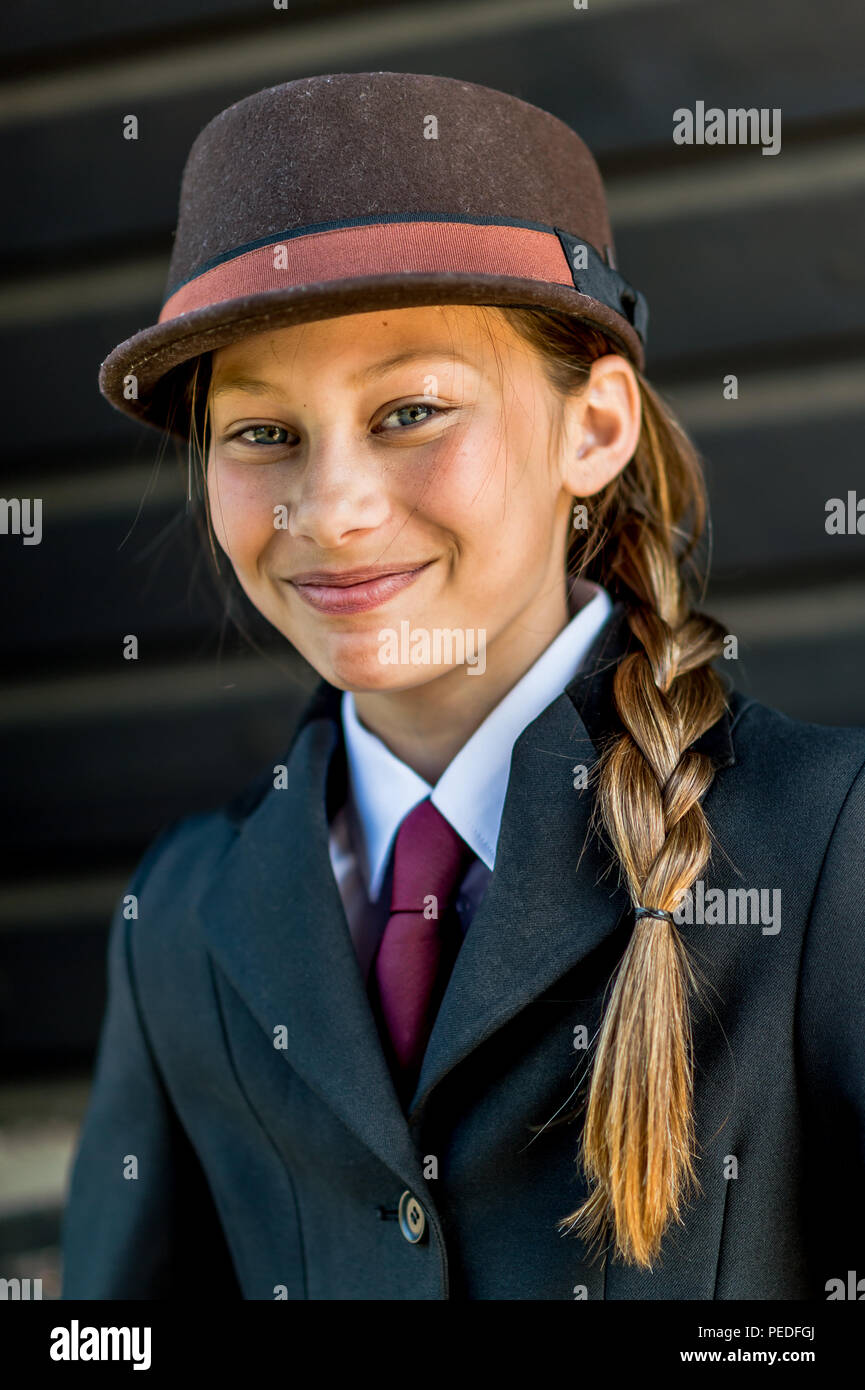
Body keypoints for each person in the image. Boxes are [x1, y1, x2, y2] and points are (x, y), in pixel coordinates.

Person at [60, 71, 865, 1301]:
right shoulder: (179, 917)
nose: (330, 511)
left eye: (413, 409)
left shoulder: (827, 852)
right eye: (262, 433)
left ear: (592, 430)